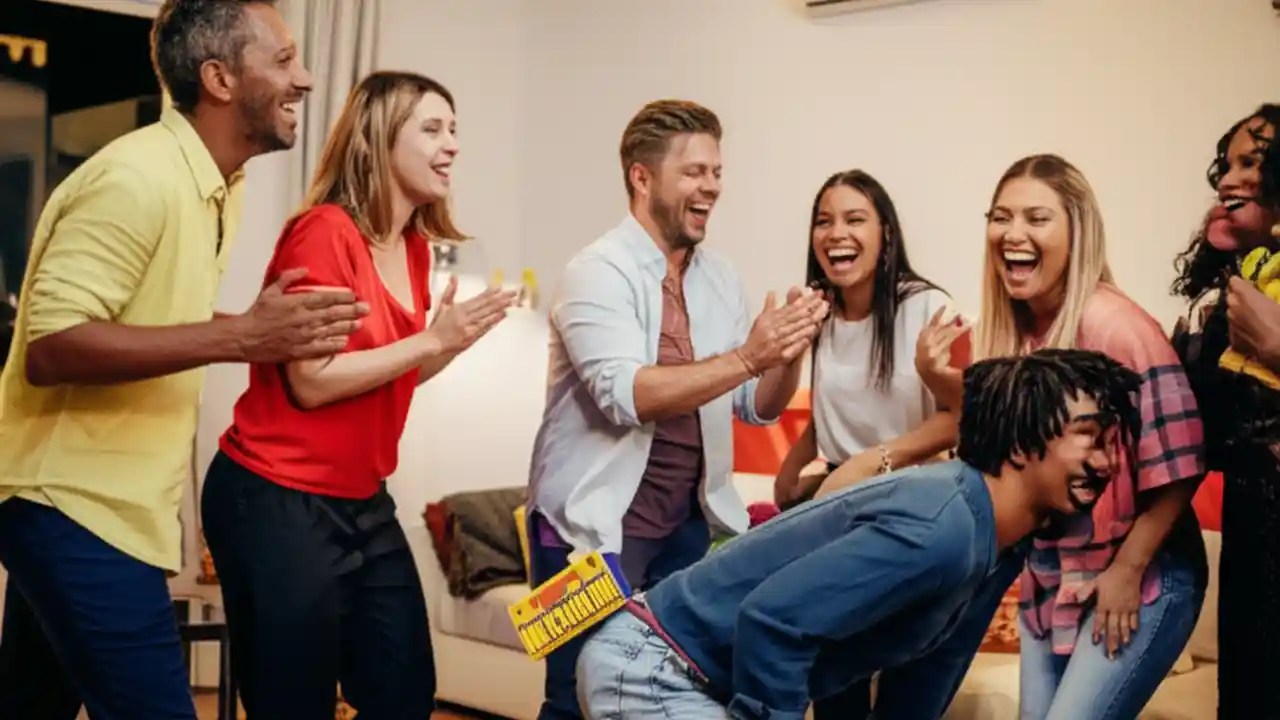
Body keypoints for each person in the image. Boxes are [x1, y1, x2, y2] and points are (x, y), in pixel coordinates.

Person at [0, 2, 369, 718]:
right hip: (73, 506)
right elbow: (52, 345)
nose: (308, 78)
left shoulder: (214, 183)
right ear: (219, 78)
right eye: (285, 59)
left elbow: (151, 323)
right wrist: (243, 338)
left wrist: (260, 330)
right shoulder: (138, 180)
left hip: (98, 507)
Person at [576, 348, 1140, 720]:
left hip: (690, 673)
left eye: (1112, 443)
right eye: (1089, 438)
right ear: (1020, 445)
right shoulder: (941, 528)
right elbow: (773, 623)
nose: (1108, 462)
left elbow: (930, 670)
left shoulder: (1000, 540)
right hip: (660, 670)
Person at [200, 70, 516, 719]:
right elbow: (312, 381)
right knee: (295, 704)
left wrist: (445, 344)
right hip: (274, 498)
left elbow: (385, 375)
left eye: (454, 129)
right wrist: (430, 342)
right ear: (378, 139)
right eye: (432, 128)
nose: (451, 144)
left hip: (360, 501)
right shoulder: (323, 233)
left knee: (403, 690)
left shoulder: (416, 249)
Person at [525, 99, 828, 720]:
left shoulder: (719, 276)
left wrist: (790, 351)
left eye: (716, 171)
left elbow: (755, 407)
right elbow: (625, 396)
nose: (711, 186)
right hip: (583, 534)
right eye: (694, 171)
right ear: (642, 177)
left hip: (690, 531)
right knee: (569, 697)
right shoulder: (593, 272)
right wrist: (750, 354)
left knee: (669, 692)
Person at [916, 154, 1207, 720]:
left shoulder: (1115, 326)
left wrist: (1126, 571)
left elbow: (1184, 458)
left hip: (1140, 573)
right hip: (1054, 577)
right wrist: (938, 382)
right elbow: (998, 457)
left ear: (1078, 232)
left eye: (1036, 218)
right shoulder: (1010, 335)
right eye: (1001, 217)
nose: (1013, 233)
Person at [771, 169, 961, 719]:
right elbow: (841, 403)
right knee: (830, 677)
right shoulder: (820, 313)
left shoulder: (927, 308)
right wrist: (794, 462)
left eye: (855, 219)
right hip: (836, 505)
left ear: (885, 233)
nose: (837, 233)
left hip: (916, 504)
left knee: (894, 678)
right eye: (823, 221)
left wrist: (870, 463)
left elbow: (960, 419)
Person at [1169, 103, 1280, 718]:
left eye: (1252, 163)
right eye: (1226, 164)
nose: (1228, 180)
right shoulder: (1224, 298)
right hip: (1249, 533)